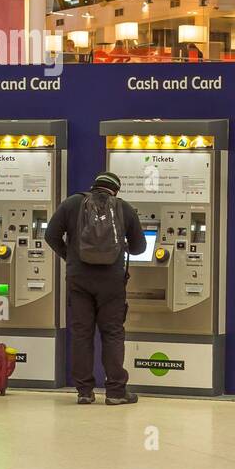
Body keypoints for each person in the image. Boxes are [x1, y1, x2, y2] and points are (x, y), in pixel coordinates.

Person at [45, 171, 146, 405]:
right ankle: (115, 392)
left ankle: (84, 391)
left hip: (79, 279)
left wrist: (70, 255)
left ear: (93, 186)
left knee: (82, 333)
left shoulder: (72, 203)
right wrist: (121, 247)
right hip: (112, 281)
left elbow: (51, 235)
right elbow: (140, 247)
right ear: (115, 190)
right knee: (112, 333)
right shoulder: (124, 208)